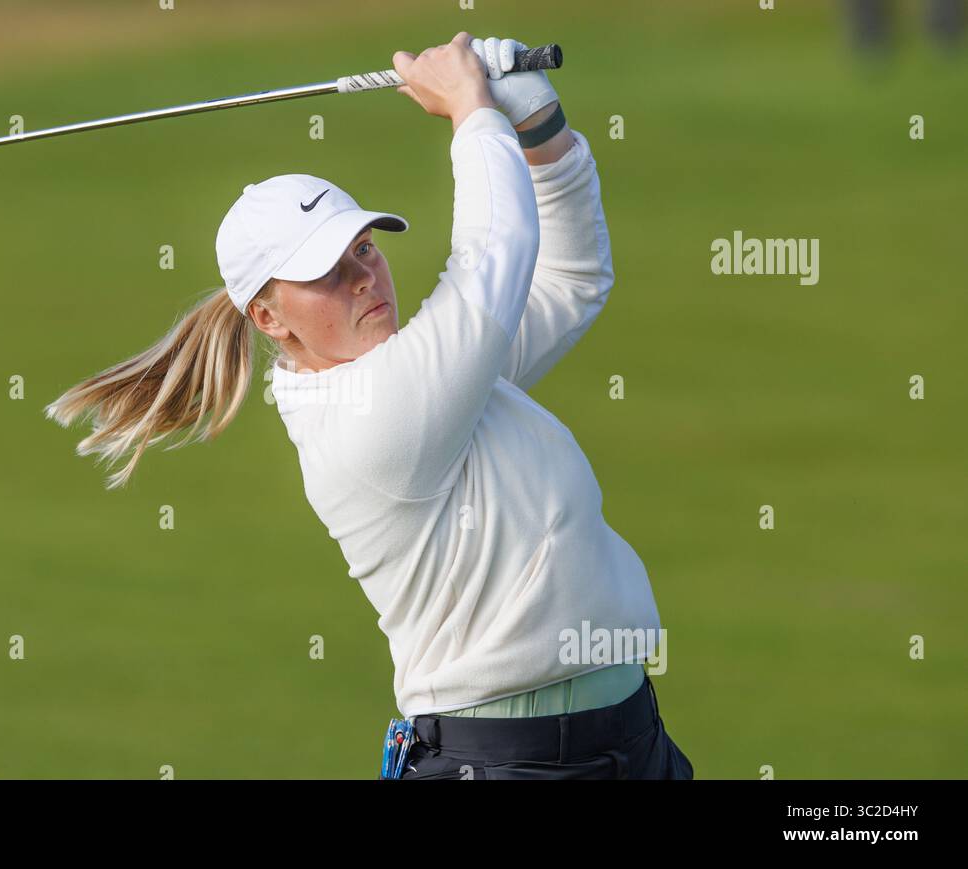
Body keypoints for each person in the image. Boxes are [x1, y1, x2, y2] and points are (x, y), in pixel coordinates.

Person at [46, 31, 693, 780]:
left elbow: (570, 279)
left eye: (363, 247)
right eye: (326, 271)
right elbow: (493, 258)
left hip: (633, 742)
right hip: (504, 766)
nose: (363, 275)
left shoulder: (430, 375)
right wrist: (471, 111)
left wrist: (540, 130)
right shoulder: (375, 416)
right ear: (268, 318)